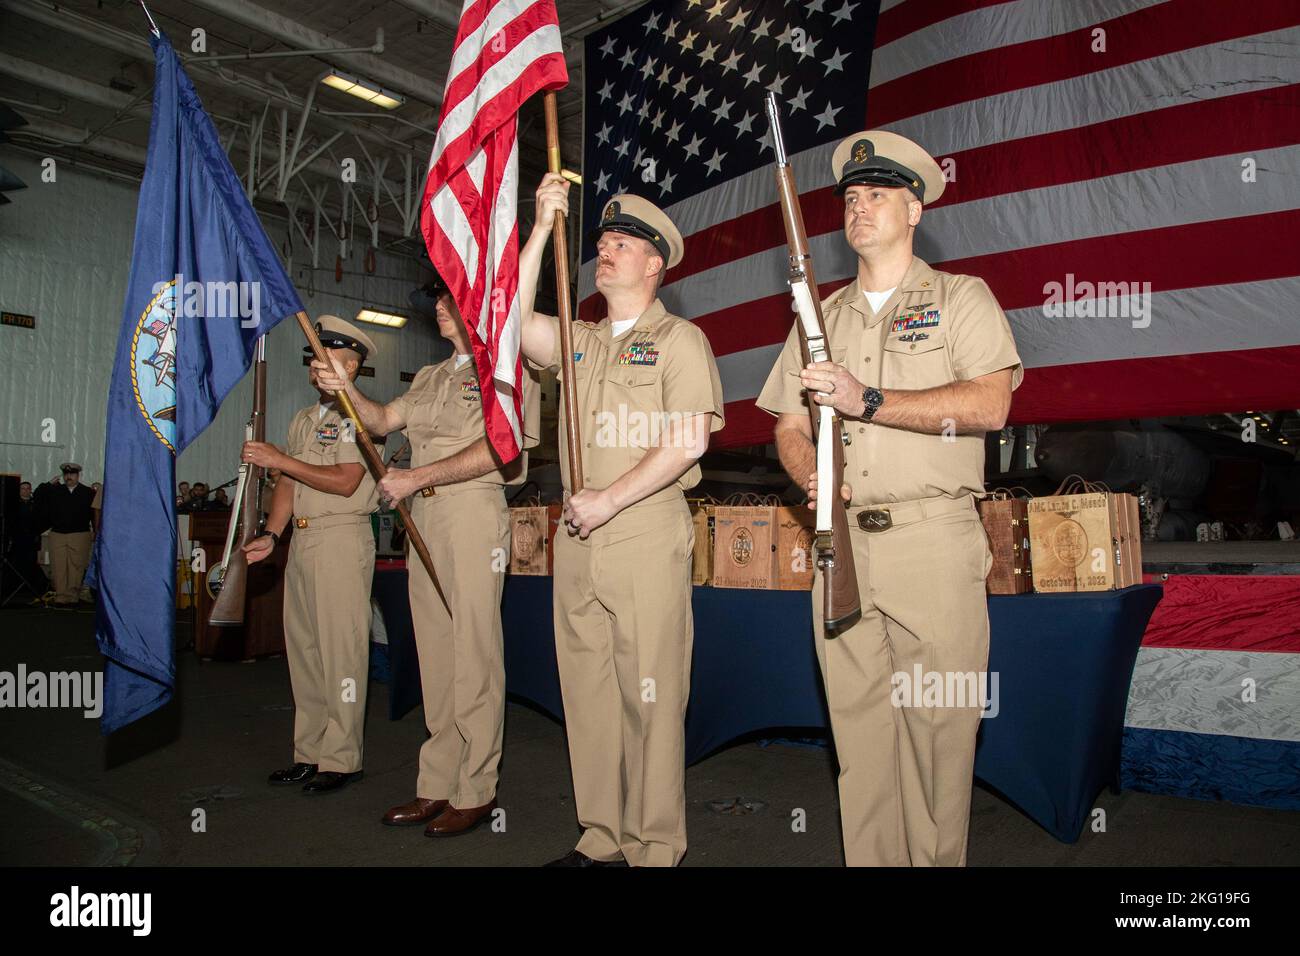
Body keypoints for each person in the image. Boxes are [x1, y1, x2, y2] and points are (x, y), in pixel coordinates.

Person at [756, 130, 1022, 867]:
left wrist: (866, 397)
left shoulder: (960, 298)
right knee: (861, 733)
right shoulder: (821, 317)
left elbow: (990, 404)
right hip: (840, 542)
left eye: (877, 194)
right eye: (849, 196)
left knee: (941, 730)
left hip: (929, 540)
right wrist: (809, 470)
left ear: (914, 210)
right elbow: (784, 422)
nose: (859, 207)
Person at [517, 177, 725, 867]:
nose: (604, 252)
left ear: (655, 263)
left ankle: (655, 847)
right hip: (578, 538)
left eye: (622, 244)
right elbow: (511, 324)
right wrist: (544, 228)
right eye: (601, 243)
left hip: (640, 531)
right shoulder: (580, 341)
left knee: (651, 696)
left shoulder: (679, 340)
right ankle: (601, 835)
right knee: (589, 694)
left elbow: (689, 439)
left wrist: (610, 498)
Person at [313, 287, 541, 837]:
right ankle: (437, 783)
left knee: (475, 655)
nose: (436, 307)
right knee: (437, 654)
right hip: (424, 521)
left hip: (471, 512)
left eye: (448, 298)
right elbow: (381, 420)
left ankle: (477, 789)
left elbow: (500, 450)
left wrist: (415, 477)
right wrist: (348, 391)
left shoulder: (507, 372)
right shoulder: (430, 376)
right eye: (435, 301)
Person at [243, 316, 382, 795]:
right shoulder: (305, 418)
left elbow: (346, 482)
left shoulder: (357, 416)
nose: (312, 366)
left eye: (322, 358)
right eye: (312, 357)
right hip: (302, 539)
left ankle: (342, 760)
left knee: (341, 652)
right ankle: (309, 753)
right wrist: (273, 534)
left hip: (342, 539)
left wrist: (280, 458)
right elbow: (289, 482)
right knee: (304, 650)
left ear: (349, 365)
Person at [42, 463, 96, 606]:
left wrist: (96, 531)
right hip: (58, 533)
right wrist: (48, 485)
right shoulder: (55, 491)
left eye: (72, 474)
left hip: (80, 533)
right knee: (58, 565)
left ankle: (72, 596)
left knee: (76, 566)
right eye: (66, 474)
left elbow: (94, 513)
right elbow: (39, 497)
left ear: (78, 475)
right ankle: (60, 596)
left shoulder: (88, 492)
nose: (68, 477)